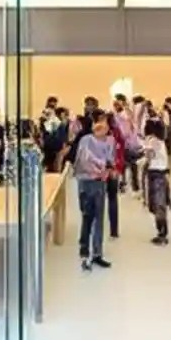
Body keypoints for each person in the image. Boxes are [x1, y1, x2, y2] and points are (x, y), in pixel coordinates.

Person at [73, 110, 115, 271]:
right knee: (87, 216)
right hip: (86, 181)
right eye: (99, 122)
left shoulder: (110, 141)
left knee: (99, 218)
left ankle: (97, 253)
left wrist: (107, 171)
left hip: (100, 183)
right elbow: (84, 159)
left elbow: (110, 160)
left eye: (105, 122)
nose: (102, 126)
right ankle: (84, 250)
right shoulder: (86, 140)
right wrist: (100, 166)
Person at [142, 119, 171, 245]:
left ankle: (162, 233)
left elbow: (147, 156)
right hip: (162, 174)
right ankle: (162, 231)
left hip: (155, 174)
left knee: (157, 204)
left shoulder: (152, 141)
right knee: (161, 202)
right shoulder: (161, 141)